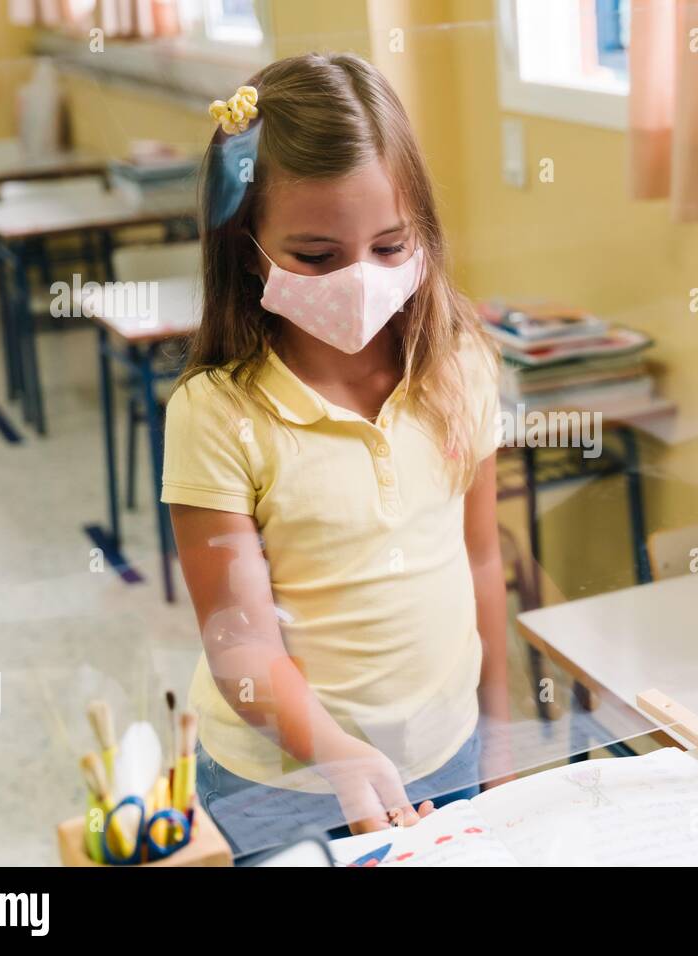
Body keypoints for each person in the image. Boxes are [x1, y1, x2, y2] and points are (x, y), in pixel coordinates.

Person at [161, 53, 511, 856]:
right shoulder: (216, 413)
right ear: (248, 247)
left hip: (444, 751)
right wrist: (337, 755)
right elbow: (239, 641)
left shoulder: (461, 369)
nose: (361, 279)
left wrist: (499, 729)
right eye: (317, 257)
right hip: (281, 783)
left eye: (391, 246)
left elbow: (481, 560)